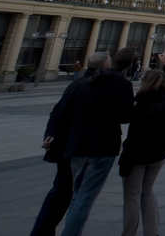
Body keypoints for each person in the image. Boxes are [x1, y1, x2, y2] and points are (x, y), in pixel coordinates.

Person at [55, 47, 135, 236]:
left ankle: (69, 230)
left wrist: (55, 136)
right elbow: (126, 116)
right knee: (86, 197)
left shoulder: (84, 83)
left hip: (77, 145)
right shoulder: (121, 84)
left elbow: (64, 112)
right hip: (102, 146)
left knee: (78, 195)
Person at [31, 52, 108, 236]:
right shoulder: (88, 86)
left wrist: (50, 134)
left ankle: (43, 230)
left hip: (69, 145)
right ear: (104, 67)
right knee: (66, 192)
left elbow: (57, 111)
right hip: (74, 147)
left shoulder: (77, 84)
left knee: (62, 191)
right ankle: (44, 231)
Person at [118, 62, 165, 236]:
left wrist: (125, 160)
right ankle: (152, 232)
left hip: (137, 156)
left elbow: (133, 136)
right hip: (159, 154)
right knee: (147, 191)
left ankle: (128, 232)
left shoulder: (139, 106)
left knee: (132, 196)